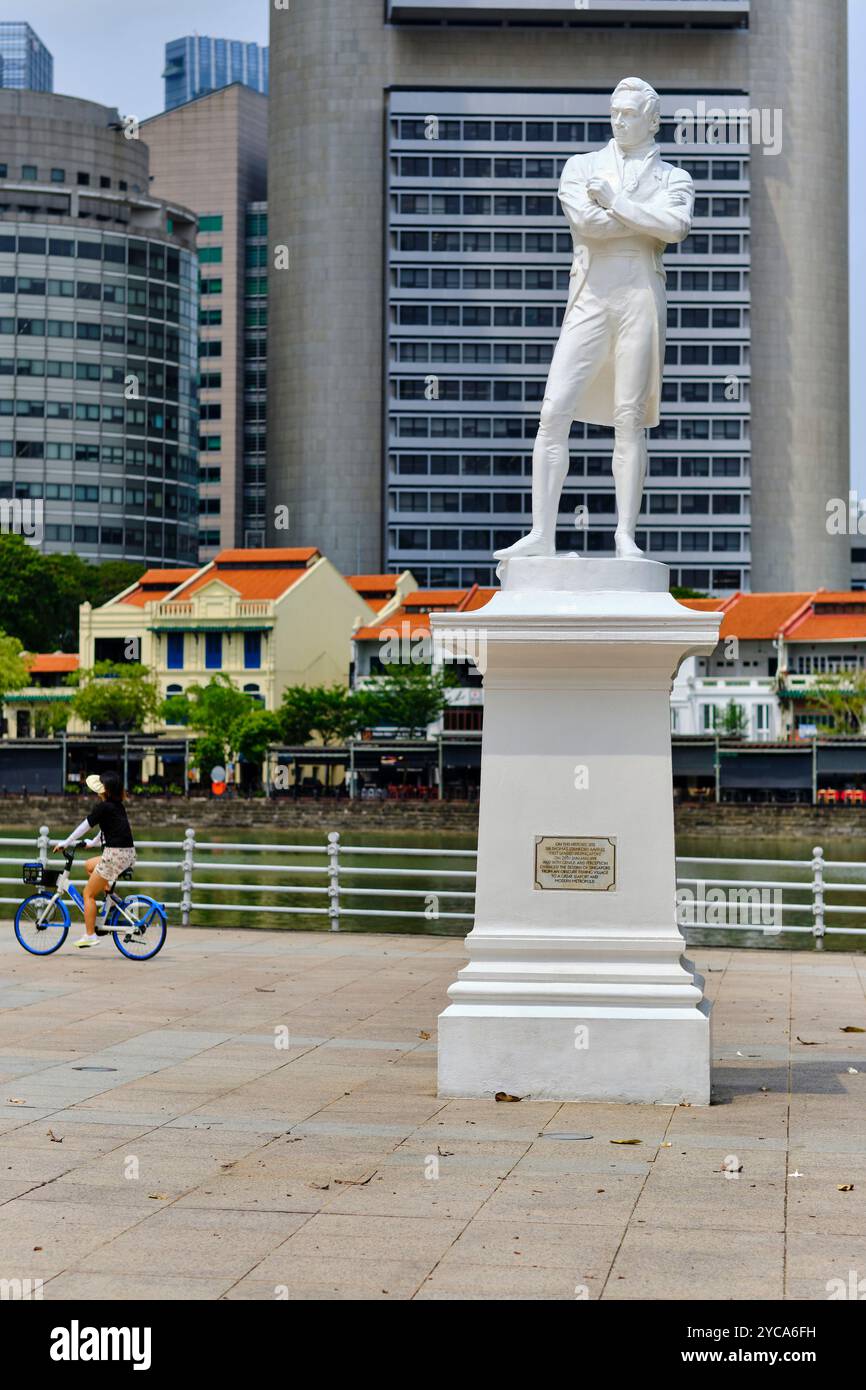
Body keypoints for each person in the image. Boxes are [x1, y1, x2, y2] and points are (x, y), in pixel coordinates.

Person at [493, 76, 694, 563]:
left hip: (640, 297)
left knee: (629, 419)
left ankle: (625, 534)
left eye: (629, 113)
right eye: (615, 112)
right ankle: (542, 532)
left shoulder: (675, 177)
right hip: (591, 296)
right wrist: (637, 219)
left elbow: (675, 228)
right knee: (553, 409)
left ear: (653, 120)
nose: (619, 120)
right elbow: (588, 225)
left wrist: (618, 203)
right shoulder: (581, 166)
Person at [53, 771, 136, 948]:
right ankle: (112, 900)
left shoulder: (104, 807)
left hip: (114, 855)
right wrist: (92, 843)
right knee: (89, 865)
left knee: (88, 894)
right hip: (126, 854)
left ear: (104, 790)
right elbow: (108, 829)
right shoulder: (117, 805)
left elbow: (84, 826)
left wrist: (66, 843)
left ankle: (90, 935)